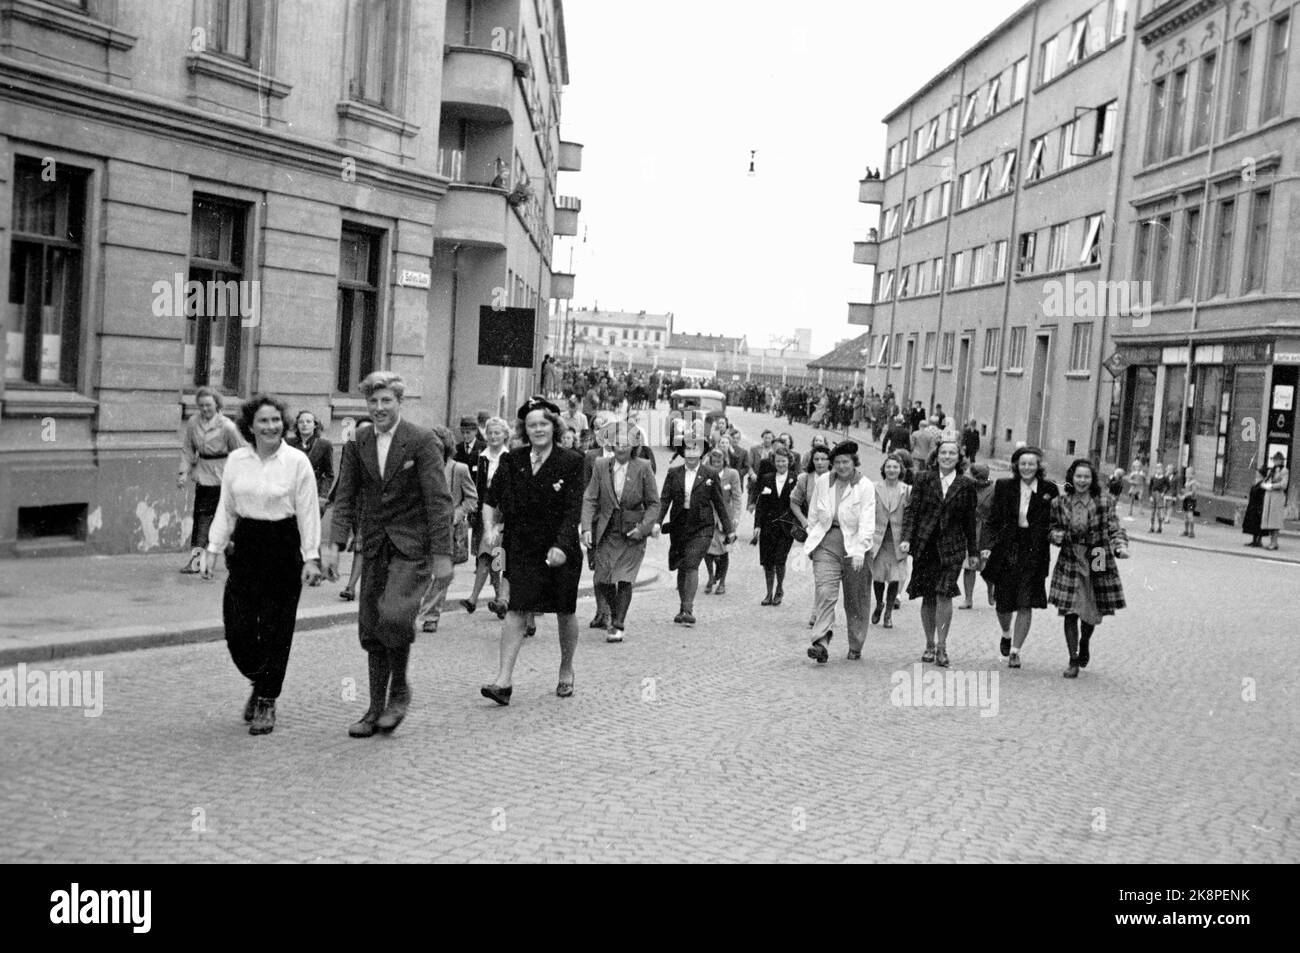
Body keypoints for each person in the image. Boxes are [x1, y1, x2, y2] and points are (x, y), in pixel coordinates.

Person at [323, 371, 455, 738]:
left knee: (395, 618)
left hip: (412, 548)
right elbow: (345, 497)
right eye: (373, 402)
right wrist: (333, 545)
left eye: (386, 401)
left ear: (399, 402)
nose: (379, 408)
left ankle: (400, 689)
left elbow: (439, 501)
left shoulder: (420, 441)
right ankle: (375, 709)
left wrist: (443, 554)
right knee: (371, 627)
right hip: (375, 546)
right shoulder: (358, 441)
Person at [204, 394, 322, 735]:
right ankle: (260, 680)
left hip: (284, 547)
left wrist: (311, 557)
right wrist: (212, 548)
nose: (271, 427)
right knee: (237, 629)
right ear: (250, 426)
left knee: (276, 627)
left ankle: (267, 698)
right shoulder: (237, 460)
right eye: (263, 421)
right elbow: (226, 507)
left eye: (275, 421)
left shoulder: (297, 462)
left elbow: (308, 511)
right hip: (247, 545)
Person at [479, 397, 584, 705]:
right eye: (531, 425)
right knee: (516, 610)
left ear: (554, 426)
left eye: (543, 424)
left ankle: (566, 669)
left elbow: (572, 511)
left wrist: (562, 546)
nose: (537, 429)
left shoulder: (572, 461)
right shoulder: (513, 460)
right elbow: (490, 498)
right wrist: (488, 529)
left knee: (565, 611)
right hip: (522, 547)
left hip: (559, 549)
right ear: (524, 429)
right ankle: (503, 681)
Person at [900, 438, 980, 668]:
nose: (947, 457)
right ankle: (929, 643)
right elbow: (912, 510)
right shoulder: (924, 479)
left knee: (944, 594)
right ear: (936, 456)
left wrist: (972, 552)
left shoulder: (966, 485)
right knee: (928, 595)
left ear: (959, 458)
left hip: (952, 548)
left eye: (952, 453)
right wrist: (906, 538)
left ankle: (942, 646)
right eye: (943, 453)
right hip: (926, 546)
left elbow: (969, 520)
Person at [1049, 459, 1129, 678]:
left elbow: (1114, 527)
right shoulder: (1060, 502)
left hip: (1097, 555)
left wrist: (1120, 546)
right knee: (1070, 610)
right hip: (1071, 555)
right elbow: (1053, 527)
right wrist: (1058, 536)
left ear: (1092, 479)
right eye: (1078, 476)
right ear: (1071, 478)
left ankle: (1085, 642)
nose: (1082, 481)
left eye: (1086, 477)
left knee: (1091, 609)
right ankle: (1073, 659)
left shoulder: (1104, 501)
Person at [580, 423, 660, 643]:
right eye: (616, 443)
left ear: (633, 446)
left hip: (632, 533)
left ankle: (618, 624)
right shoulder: (600, 465)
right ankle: (614, 613)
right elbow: (589, 498)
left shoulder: (643, 467)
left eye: (625, 444)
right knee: (602, 579)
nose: (620, 447)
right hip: (607, 530)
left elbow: (654, 503)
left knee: (624, 579)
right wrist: (586, 528)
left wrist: (643, 528)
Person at [981, 446, 1059, 669]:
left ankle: (1015, 650)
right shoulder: (1005, 486)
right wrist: (987, 546)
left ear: (1038, 466)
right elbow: (993, 519)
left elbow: (1055, 520)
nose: (1027, 467)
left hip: (1034, 551)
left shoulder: (1049, 489)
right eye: (1023, 464)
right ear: (1016, 466)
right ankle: (1006, 633)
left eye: (1031, 464)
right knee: (1004, 604)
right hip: (1008, 548)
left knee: (1026, 601)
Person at [804, 441, 876, 663]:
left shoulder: (864, 486)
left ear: (854, 462)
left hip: (855, 546)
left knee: (856, 599)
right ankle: (821, 641)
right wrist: (812, 537)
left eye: (846, 462)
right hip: (827, 542)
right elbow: (814, 512)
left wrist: (860, 551)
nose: (842, 466)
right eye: (837, 463)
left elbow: (867, 520)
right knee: (825, 592)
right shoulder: (825, 481)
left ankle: (856, 643)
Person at [657, 439, 735, 626]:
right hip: (680, 525)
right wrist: (657, 523)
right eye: (688, 449)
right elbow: (664, 500)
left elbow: (719, 503)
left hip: (702, 526)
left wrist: (729, 529)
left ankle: (688, 609)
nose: (691, 453)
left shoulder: (710, 474)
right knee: (682, 565)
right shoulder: (674, 473)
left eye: (695, 449)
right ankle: (683, 605)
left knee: (692, 562)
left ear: (701, 453)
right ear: (683, 452)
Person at [416, 425, 478, 633]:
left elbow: (472, 499)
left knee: (441, 574)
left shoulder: (458, 469)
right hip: (421, 527)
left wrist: (457, 515)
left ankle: (431, 616)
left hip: (447, 531)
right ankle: (419, 609)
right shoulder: (419, 467)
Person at [177, 386, 244, 574]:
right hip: (203, 475)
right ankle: (196, 560)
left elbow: (240, 453)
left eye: (208, 405)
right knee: (201, 518)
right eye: (201, 406)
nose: (205, 409)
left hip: (224, 477)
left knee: (229, 521)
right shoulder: (193, 422)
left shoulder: (228, 426)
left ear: (217, 404)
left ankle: (237, 560)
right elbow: (188, 449)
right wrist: (183, 472)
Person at [462, 417, 511, 617]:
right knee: (487, 554)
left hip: (501, 513)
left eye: (497, 433)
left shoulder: (510, 458)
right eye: (490, 433)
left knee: (494, 554)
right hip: (484, 511)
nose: (493, 436)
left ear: (505, 435)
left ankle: (481, 598)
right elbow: (474, 484)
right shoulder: (479, 457)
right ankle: (497, 599)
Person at [791, 444, 833, 627]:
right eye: (816, 459)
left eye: (824, 459)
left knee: (830, 576)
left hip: (834, 532)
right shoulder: (805, 479)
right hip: (814, 533)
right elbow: (794, 502)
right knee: (820, 574)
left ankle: (823, 612)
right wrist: (804, 522)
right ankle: (818, 612)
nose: (820, 462)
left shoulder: (836, 478)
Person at [869, 452, 911, 629]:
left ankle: (888, 614)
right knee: (878, 576)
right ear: (883, 469)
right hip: (878, 538)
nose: (892, 470)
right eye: (888, 467)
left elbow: (910, 516)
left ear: (900, 470)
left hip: (897, 540)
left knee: (895, 577)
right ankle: (879, 604)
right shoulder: (874, 487)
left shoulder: (907, 490)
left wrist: (907, 538)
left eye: (895, 467)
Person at [752, 444, 798, 606]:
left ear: (789, 461)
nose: (781, 464)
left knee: (780, 560)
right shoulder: (766, 479)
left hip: (786, 527)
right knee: (767, 561)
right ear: (774, 462)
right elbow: (761, 504)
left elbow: (799, 504)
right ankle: (768, 592)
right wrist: (757, 525)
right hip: (767, 526)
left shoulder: (795, 479)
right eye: (778, 461)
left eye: (784, 461)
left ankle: (779, 589)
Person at [703, 447, 743, 596]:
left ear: (724, 460)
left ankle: (722, 582)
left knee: (724, 551)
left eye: (719, 460)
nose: (716, 463)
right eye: (714, 461)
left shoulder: (732, 474)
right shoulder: (705, 472)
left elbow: (737, 497)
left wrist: (736, 517)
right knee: (707, 550)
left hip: (725, 519)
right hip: (708, 518)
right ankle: (711, 576)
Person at [960, 462, 995, 609]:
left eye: (970, 473)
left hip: (986, 532)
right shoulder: (966, 487)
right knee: (969, 566)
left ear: (977, 476)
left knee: (985, 567)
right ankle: (968, 599)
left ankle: (991, 589)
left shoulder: (993, 490)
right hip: (970, 530)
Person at [285, 410, 334, 514]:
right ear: (297, 425)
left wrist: (322, 495)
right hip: (292, 493)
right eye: (301, 422)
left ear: (315, 425)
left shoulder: (324, 445)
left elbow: (329, 474)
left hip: (313, 493)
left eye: (308, 421)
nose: (304, 424)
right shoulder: (288, 443)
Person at [1260, 452, 1290, 551]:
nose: (1275, 461)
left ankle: (1274, 542)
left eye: (1277, 460)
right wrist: (1264, 484)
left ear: (1281, 460)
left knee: (1275, 521)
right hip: (1269, 497)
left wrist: (1272, 486)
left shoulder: (1284, 470)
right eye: (1274, 459)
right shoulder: (1271, 470)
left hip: (1277, 498)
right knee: (1269, 521)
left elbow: (1284, 484)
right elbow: (1266, 480)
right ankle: (1272, 542)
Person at [1242, 459, 1270, 547]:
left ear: (1262, 474)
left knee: (1258, 524)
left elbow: (1262, 496)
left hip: (1258, 507)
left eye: (1259, 472)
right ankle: (1254, 540)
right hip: (1253, 506)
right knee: (1253, 524)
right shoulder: (1259, 482)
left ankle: (1258, 541)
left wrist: (1261, 507)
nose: (1258, 474)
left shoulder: (1263, 483)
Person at [1176, 466, 1199, 538]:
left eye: (1188, 473)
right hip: (1186, 500)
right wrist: (1182, 493)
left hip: (1191, 501)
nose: (1186, 474)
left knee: (1190, 515)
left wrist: (1184, 496)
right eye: (1186, 473)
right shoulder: (1187, 481)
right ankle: (1186, 531)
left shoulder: (1193, 482)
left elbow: (1193, 492)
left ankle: (1192, 532)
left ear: (1193, 474)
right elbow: (1187, 490)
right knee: (1185, 516)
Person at [1147, 462, 1169, 533]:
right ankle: (1152, 527)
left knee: (1159, 512)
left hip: (1159, 495)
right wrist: (1150, 496)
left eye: (1160, 468)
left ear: (1162, 469)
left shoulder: (1164, 478)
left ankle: (1159, 527)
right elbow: (1150, 487)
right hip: (1153, 494)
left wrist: (1163, 492)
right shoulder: (1153, 477)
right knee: (1152, 512)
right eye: (1157, 468)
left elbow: (1168, 486)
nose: (1158, 470)